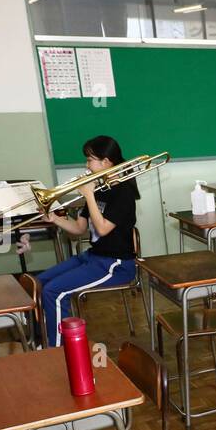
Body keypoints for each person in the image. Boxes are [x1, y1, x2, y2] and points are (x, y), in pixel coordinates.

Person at [33, 135, 139, 347]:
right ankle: (41, 338)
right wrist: (54, 218)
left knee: (54, 292)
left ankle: (58, 349)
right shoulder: (100, 188)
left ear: (106, 162)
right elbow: (80, 229)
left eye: (90, 159)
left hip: (116, 264)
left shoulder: (123, 193)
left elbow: (102, 228)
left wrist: (89, 195)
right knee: (40, 283)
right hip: (94, 256)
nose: (86, 165)